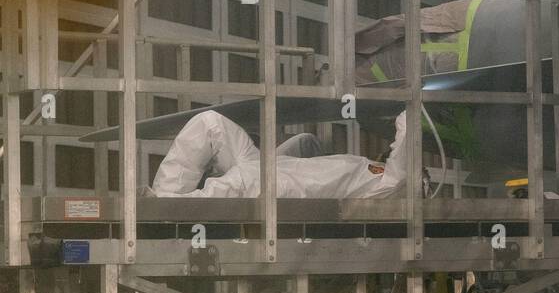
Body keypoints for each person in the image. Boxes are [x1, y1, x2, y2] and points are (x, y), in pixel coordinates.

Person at [149, 110, 410, 198]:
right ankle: (165, 196)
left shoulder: (389, 183)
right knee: (210, 123)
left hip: (280, 186)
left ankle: (171, 210)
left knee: (235, 187)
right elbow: (306, 146)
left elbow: (407, 143)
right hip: (268, 166)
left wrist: (410, 108)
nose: (388, 150)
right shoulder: (369, 167)